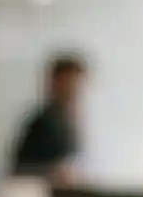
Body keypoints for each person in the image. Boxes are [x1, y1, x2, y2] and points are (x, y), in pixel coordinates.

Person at [9, 53, 87, 184]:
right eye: (68, 82)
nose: (74, 88)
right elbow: (19, 170)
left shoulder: (69, 119)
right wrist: (54, 173)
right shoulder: (43, 122)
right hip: (40, 193)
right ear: (54, 82)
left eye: (77, 83)